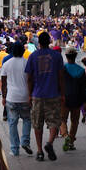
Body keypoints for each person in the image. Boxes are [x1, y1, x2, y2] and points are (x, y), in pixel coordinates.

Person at [25, 30, 65, 161]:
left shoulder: (33, 56)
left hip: (37, 94)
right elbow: (60, 77)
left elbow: (29, 78)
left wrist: (29, 95)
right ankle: (50, 143)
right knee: (54, 122)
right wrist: (62, 93)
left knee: (37, 124)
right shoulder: (57, 56)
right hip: (53, 94)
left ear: (39, 43)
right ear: (49, 42)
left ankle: (40, 150)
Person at [0, 40, 30, 157]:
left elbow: (4, 83)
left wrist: (4, 97)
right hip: (25, 97)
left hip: (11, 97)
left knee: (12, 123)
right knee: (27, 119)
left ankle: (14, 149)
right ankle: (25, 141)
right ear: (23, 51)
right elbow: (31, 81)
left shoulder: (6, 64)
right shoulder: (27, 63)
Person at [60, 48, 86, 151]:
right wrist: (85, 101)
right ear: (75, 57)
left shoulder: (63, 69)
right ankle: (71, 142)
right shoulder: (81, 70)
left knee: (62, 119)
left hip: (64, 98)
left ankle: (65, 135)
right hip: (77, 99)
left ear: (66, 57)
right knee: (75, 121)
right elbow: (84, 87)